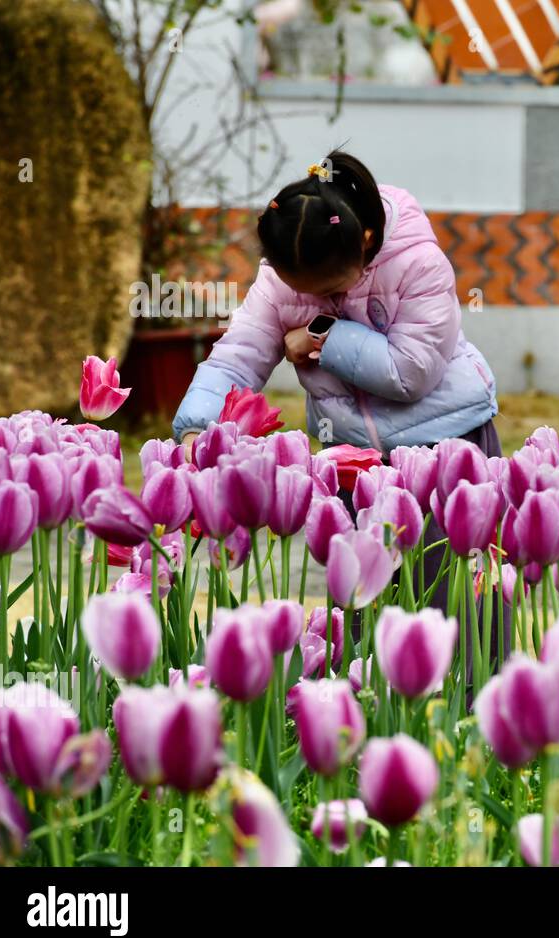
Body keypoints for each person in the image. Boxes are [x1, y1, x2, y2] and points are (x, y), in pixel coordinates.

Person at [172, 151, 502, 652]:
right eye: (304, 292)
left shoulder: (417, 262)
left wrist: (323, 334)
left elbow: (409, 372)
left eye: (330, 291)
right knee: (366, 613)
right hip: (353, 465)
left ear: (366, 244)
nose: (317, 299)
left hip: (446, 449)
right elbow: (238, 356)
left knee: (460, 607)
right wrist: (199, 424)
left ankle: (480, 716)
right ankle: (374, 722)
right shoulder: (281, 279)